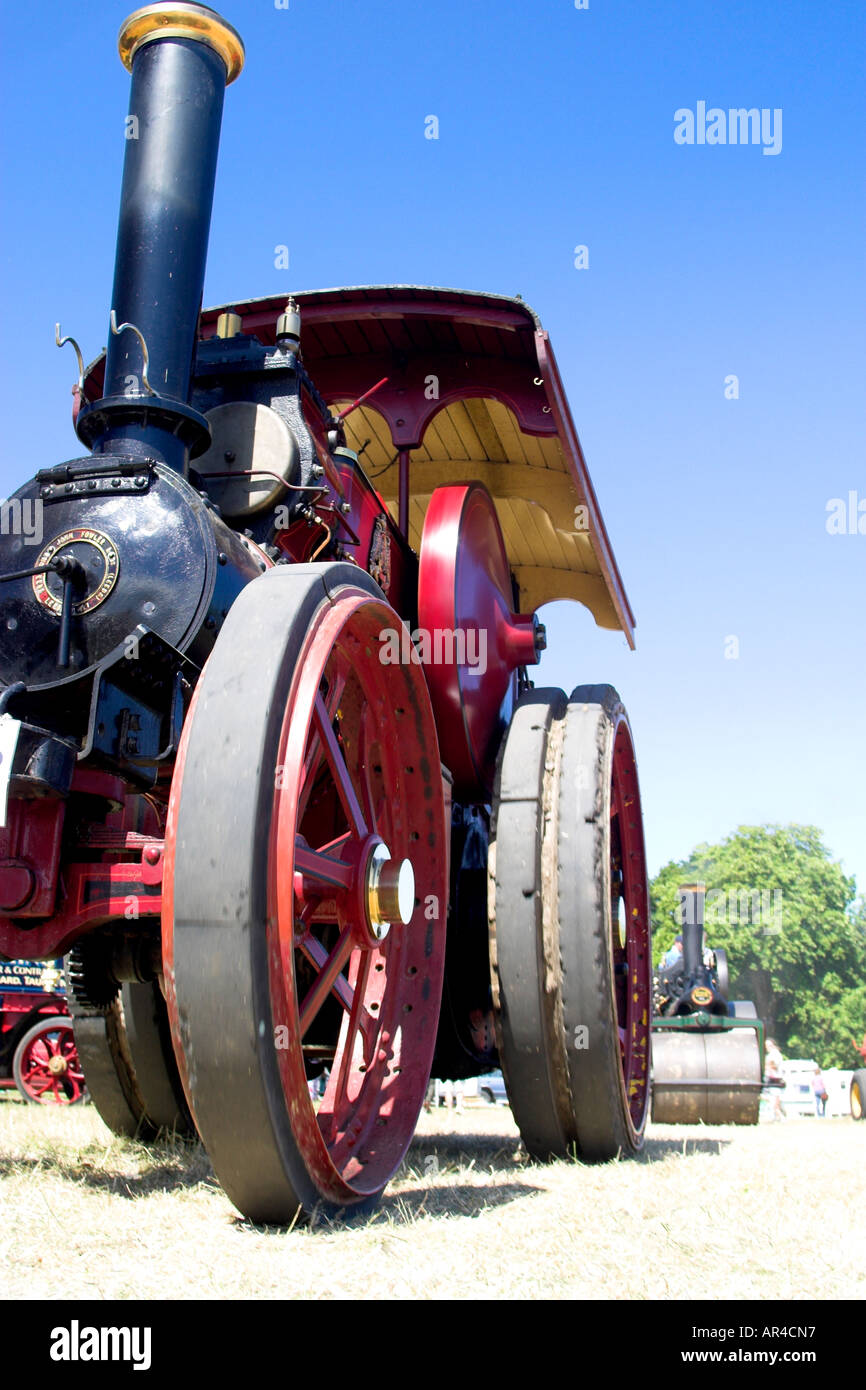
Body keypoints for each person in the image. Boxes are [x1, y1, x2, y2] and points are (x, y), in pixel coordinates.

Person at [765, 1038, 785, 1121]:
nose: (767, 1047)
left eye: (769, 1045)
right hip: (772, 1079)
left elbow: (773, 1065)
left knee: (775, 1101)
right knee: (773, 1100)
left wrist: (768, 1066)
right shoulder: (772, 1054)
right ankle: (778, 1116)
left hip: (775, 1079)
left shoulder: (774, 1054)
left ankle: (781, 1117)